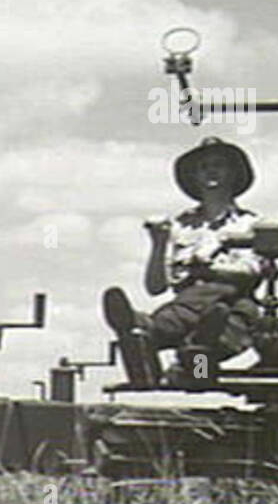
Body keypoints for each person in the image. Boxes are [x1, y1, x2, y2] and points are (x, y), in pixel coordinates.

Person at [102, 137, 266, 387]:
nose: (211, 171)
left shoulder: (253, 224)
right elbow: (156, 287)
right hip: (188, 305)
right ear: (195, 178)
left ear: (233, 173)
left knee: (209, 336)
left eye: (219, 165)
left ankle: (172, 347)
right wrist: (158, 244)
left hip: (232, 305)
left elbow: (252, 272)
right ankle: (139, 339)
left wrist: (208, 269)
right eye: (203, 167)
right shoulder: (180, 226)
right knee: (170, 325)